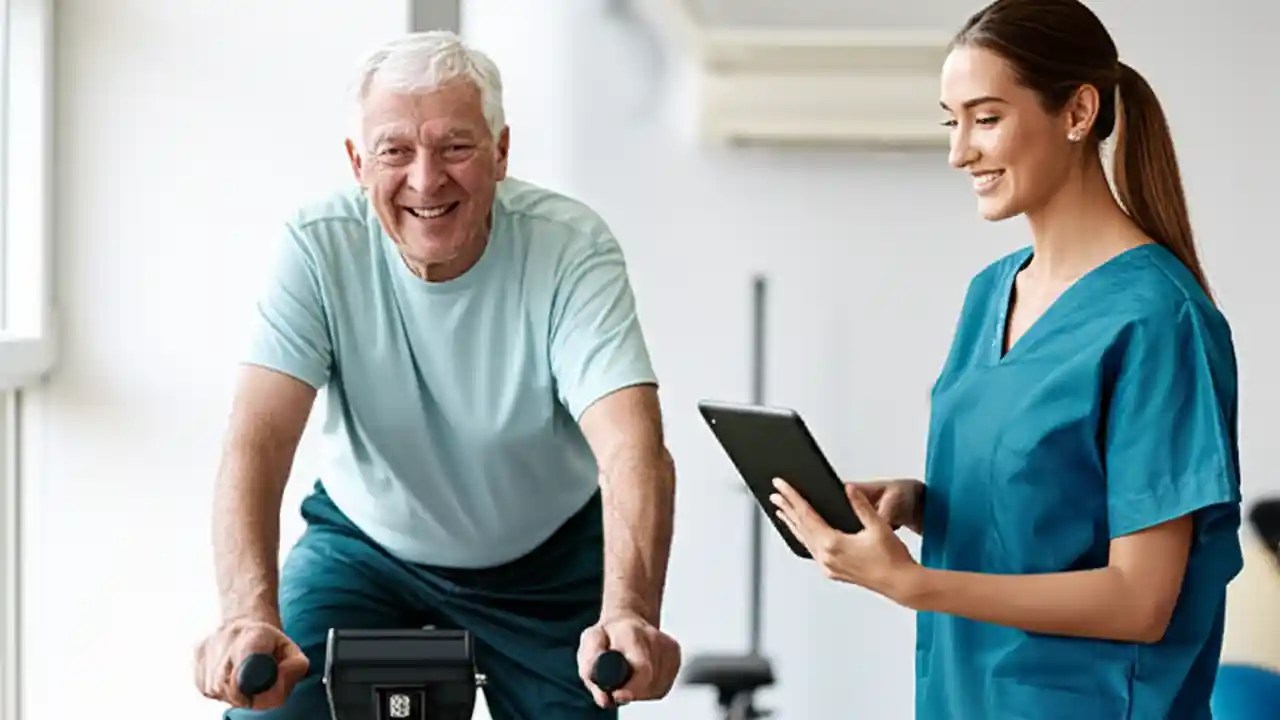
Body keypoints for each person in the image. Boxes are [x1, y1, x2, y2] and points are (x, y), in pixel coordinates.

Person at [769, 1, 1243, 718]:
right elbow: (1048, 507)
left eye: (985, 118)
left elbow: (1141, 600)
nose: (960, 151)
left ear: (1078, 111)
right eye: (949, 121)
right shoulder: (991, 293)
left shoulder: (1157, 319)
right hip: (961, 697)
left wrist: (912, 585)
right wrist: (922, 506)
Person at [192, 30, 681, 719]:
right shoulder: (317, 245)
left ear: (501, 152)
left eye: (456, 146)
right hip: (366, 546)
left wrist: (632, 613)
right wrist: (245, 616)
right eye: (395, 151)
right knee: (264, 700)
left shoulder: (569, 247)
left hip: (544, 561)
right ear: (358, 163)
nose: (426, 180)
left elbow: (634, 448)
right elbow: (256, 441)